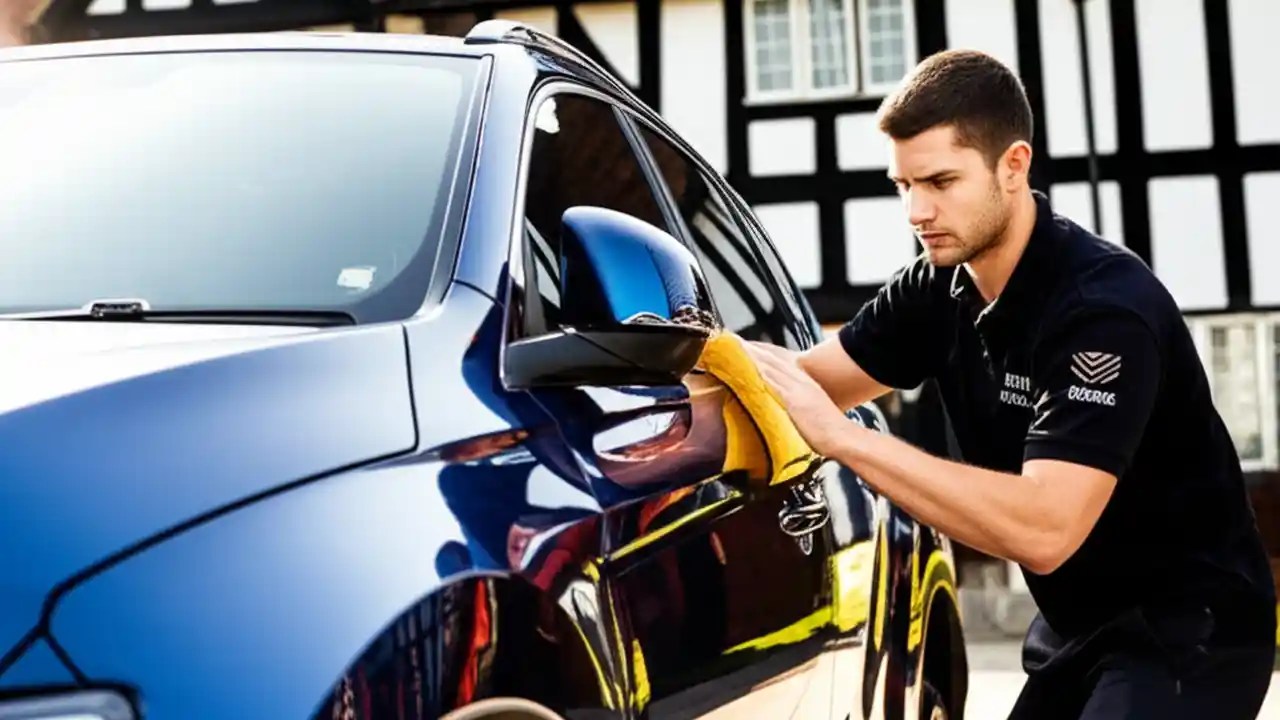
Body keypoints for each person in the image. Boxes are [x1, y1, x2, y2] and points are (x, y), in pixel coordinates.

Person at [745, 48, 1277, 718]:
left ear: (1013, 166)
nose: (917, 211)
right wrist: (689, 354)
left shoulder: (1102, 310)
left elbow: (1046, 528)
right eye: (903, 185)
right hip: (1076, 631)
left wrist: (845, 441)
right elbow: (800, 386)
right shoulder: (937, 285)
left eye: (941, 181)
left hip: (1191, 634)